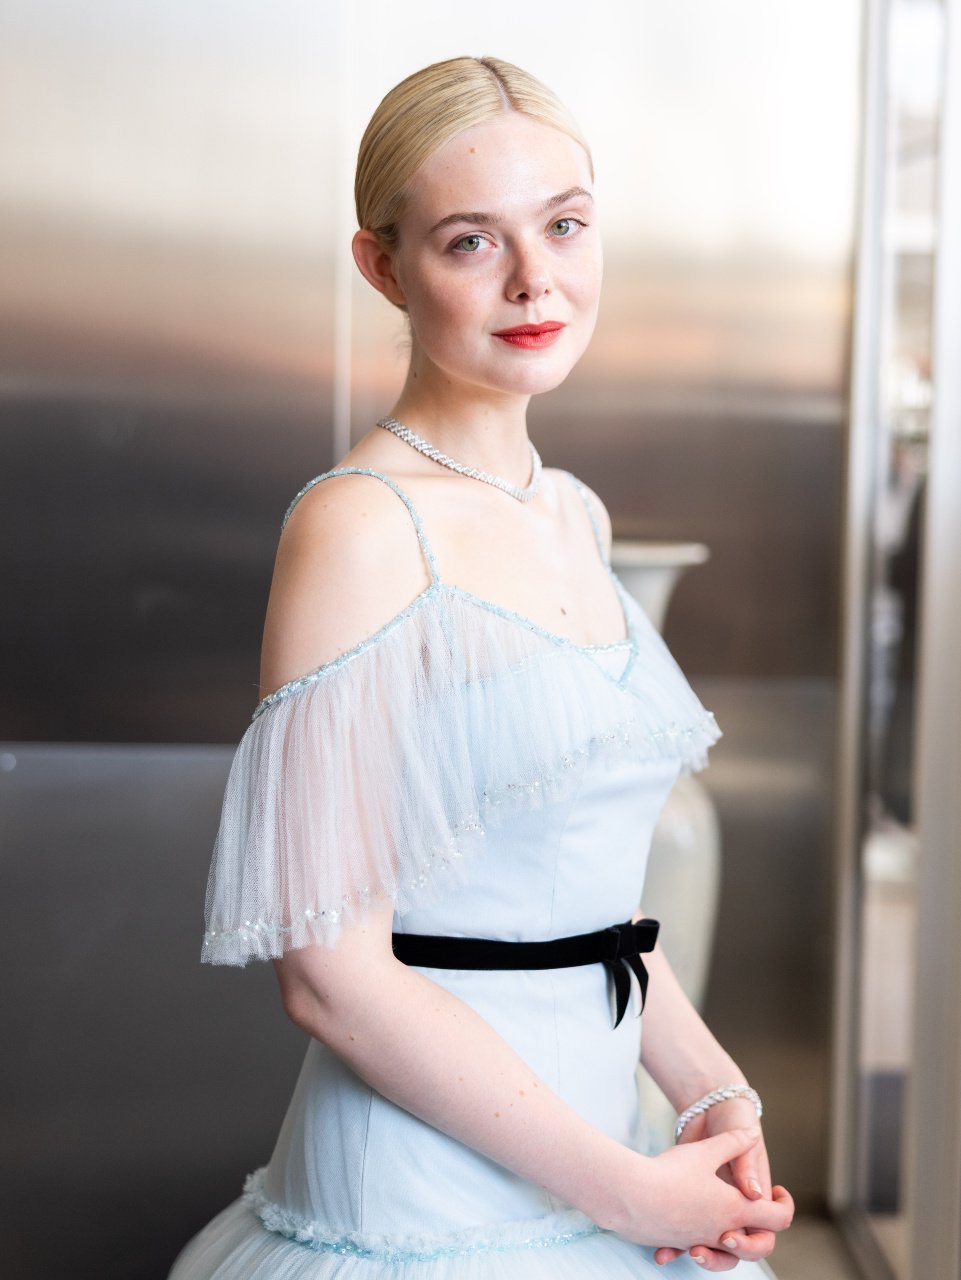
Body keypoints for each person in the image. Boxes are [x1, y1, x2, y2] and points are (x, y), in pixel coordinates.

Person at [169, 55, 793, 1279]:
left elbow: (585, 906)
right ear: (382, 266)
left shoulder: (576, 512)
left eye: (563, 224)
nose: (534, 280)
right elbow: (331, 976)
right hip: (422, 1204)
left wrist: (714, 1091)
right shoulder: (359, 525)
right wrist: (626, 1191)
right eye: (470, 241)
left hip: (606, 1155)